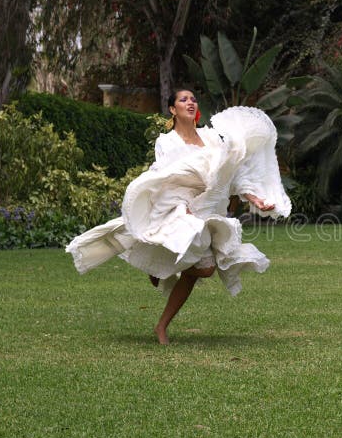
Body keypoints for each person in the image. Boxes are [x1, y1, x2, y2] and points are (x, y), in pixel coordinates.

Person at [66, 89, 291, 344]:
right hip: (176, 207)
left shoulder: (212, 139)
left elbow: (233, 174)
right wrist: (181, 207)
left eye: (194, 99)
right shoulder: (167, 142)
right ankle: (161, 303)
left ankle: (160, 297)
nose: (190, 102)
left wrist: (257, 200)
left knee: (205, 270)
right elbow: (165, 178)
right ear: (173, 110)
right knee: (192, 256)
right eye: (183, 100)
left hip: (206, 210)